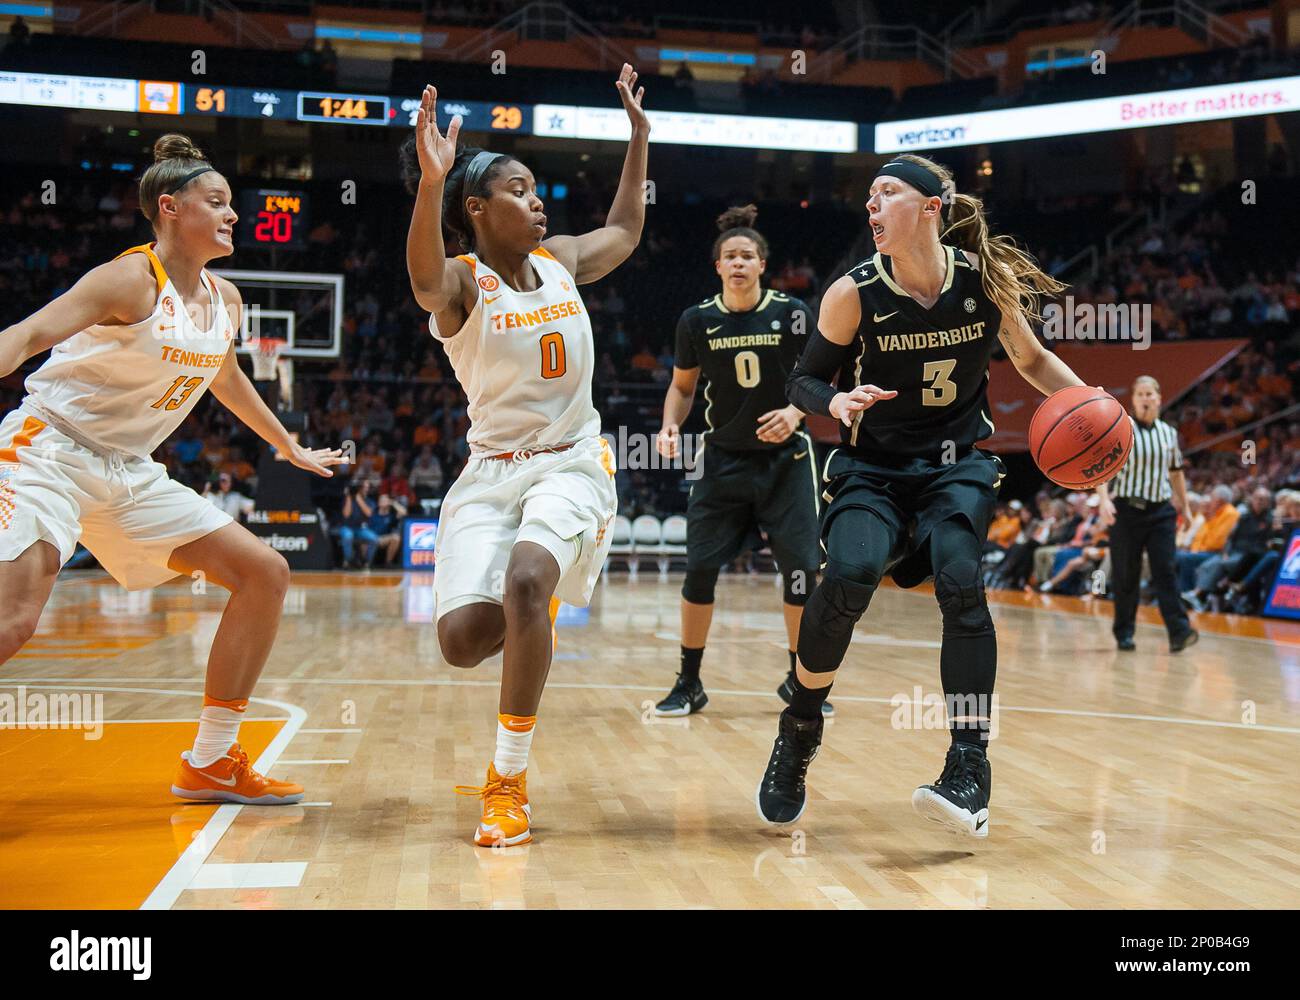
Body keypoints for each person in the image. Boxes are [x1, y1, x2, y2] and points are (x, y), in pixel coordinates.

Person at [0, 133, 343, 804]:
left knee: (263, 572)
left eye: (231, 205)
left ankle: (211, 761)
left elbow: (227, 379)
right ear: (169, 208)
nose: (233, 215)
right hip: (49, 451)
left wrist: (286, 445)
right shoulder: (130, 279)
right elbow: (29, 335)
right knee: (14, 621)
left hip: (127, 472)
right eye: (216, 202)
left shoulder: (227, 299)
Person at [757, 153, 1091, 838]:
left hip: (956, 467)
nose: (872, 207)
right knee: (848, 575)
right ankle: (800, 724)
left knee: (963, 584)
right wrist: (837, 398)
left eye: (887, 194)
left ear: (932, 206)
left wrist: (1090, 402)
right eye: (869, 198)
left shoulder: (983, 282)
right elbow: (802, 383)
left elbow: (1029, 360)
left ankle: (969, 766)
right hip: (871, 469)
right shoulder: (852, 292)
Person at [402, 68, 648, 847]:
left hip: (573, 461)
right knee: (463, 641)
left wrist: (639, 139)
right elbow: (419, 280)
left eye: (538, 188)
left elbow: (629, 230)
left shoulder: (564, 262)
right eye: (519, 189)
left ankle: (506, 778)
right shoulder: (465, 284)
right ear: (476, 210)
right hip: (491, 472)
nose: (538, 200)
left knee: (530, 580)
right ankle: (525, 626)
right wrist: (429, 181)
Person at [653, 204, 826, 717]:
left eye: (747, 256)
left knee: (800, 572)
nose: (738, 263)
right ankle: (689, 682)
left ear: (761, 265)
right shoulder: (696, 320)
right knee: (699, 570)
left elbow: (820, 378)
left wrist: (796, 412)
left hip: (786, 460)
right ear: (718, 266)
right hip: (721, 459)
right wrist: (669, 425)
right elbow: (682, 388)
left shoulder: (792, 314)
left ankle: (801, 682)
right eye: (730, 256)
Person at [1096, 375, 1198, 652]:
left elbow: (1176, 473)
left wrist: (1185, 508)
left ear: (1159, 398)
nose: (1145, 398)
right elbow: (1102, 464)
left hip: (1161, 511)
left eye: (1149, 394)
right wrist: (1103, 500)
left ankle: (1179, 631)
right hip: (1127, 510)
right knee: (1126, 575)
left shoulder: (1169, 433)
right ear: (1133, 399)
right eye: (1139, 394)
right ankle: (1124, 633)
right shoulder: (1123, 427)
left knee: (1166, 570)